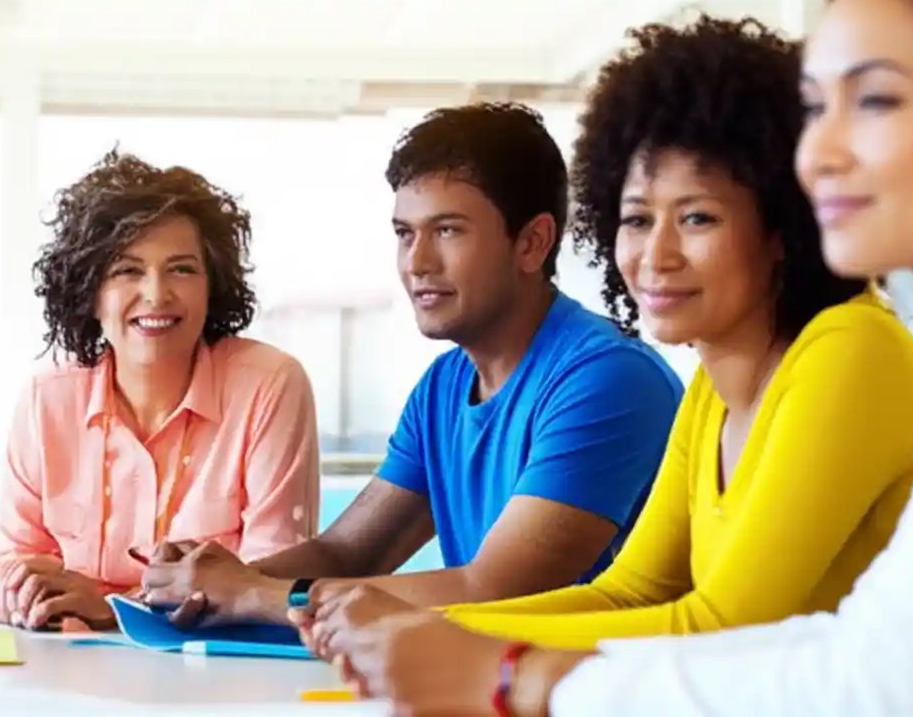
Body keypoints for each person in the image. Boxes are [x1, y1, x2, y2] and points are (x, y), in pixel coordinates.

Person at [318, 0, 913, 715]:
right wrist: (441, 639)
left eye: (875, 101)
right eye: (813, 109)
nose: (822, 154)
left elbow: (835, 662)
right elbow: (636, 592)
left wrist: (499, 664)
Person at [141, 103, 684, 628]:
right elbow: (347, 550)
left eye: (447, 231)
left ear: (532, 242)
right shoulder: (444, 386)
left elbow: (494, 590)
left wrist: (256, 595)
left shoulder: (608, 379)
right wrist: (194, 587)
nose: (417, 263)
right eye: (405, 233)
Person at [0, 150, 322, 631]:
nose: (157, 293)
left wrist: (113, 607)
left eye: (182, 269)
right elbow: (4, 570)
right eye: (127, 271)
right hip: (68, 675)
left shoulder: (269, 385)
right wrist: (27, 597)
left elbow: (271, 583)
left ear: (213, 285)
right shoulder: (46, 400)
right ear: (90, 292)